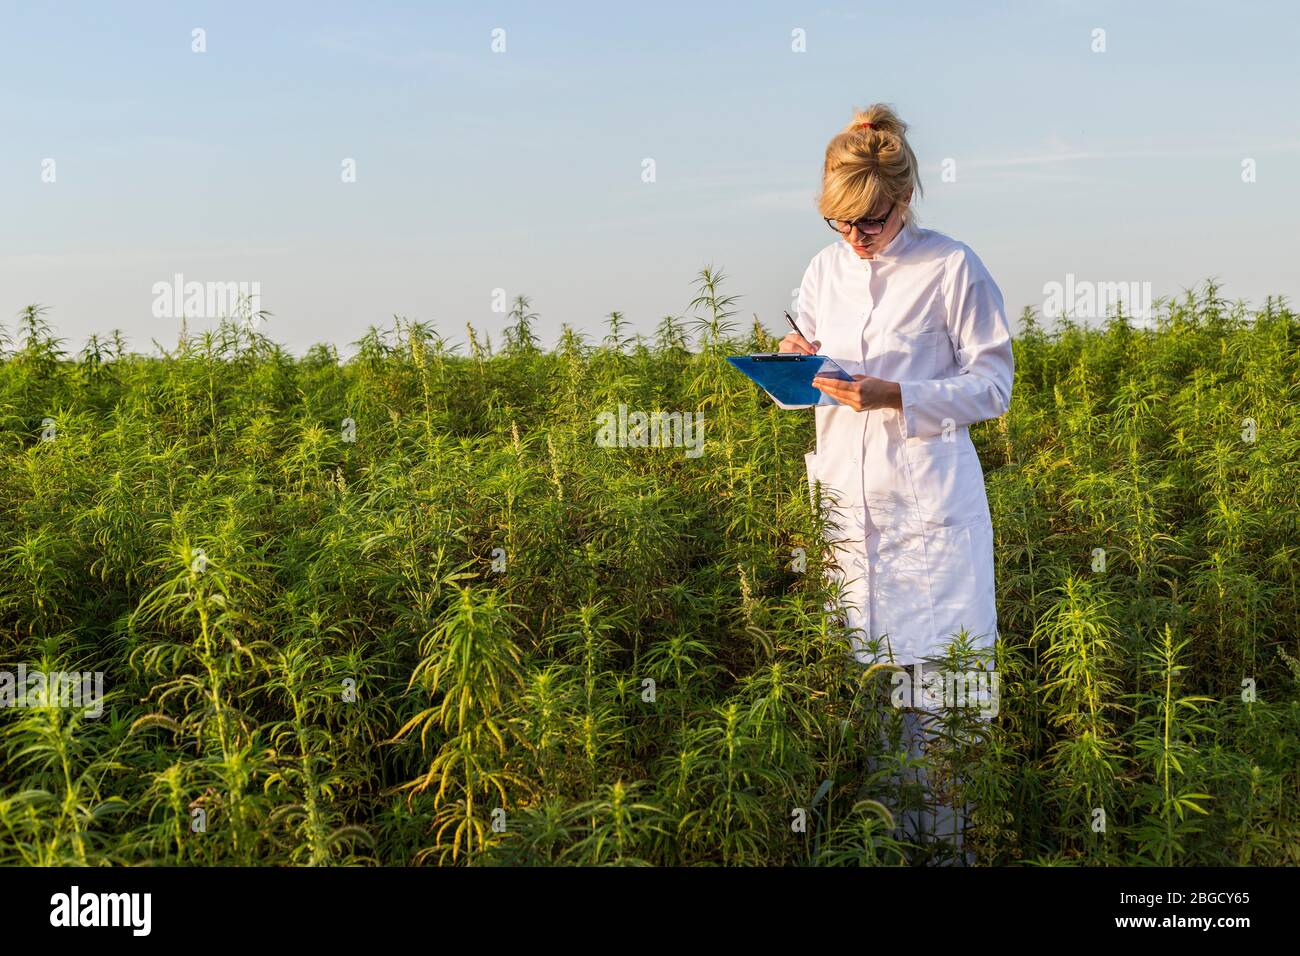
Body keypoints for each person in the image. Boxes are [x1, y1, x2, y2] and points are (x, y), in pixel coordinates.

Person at [779, 103, 1014, 863]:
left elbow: (993, 386)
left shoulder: (951, 267)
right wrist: (793, 357)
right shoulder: (825, 271)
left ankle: (949, 856)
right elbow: (809, 363)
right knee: (871, 716)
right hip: (852, 518)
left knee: (939, 725)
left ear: (901, 203)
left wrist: (899, 395)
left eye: (870, 224)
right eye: (840, 225)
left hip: (931, 523)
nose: (855, 239)